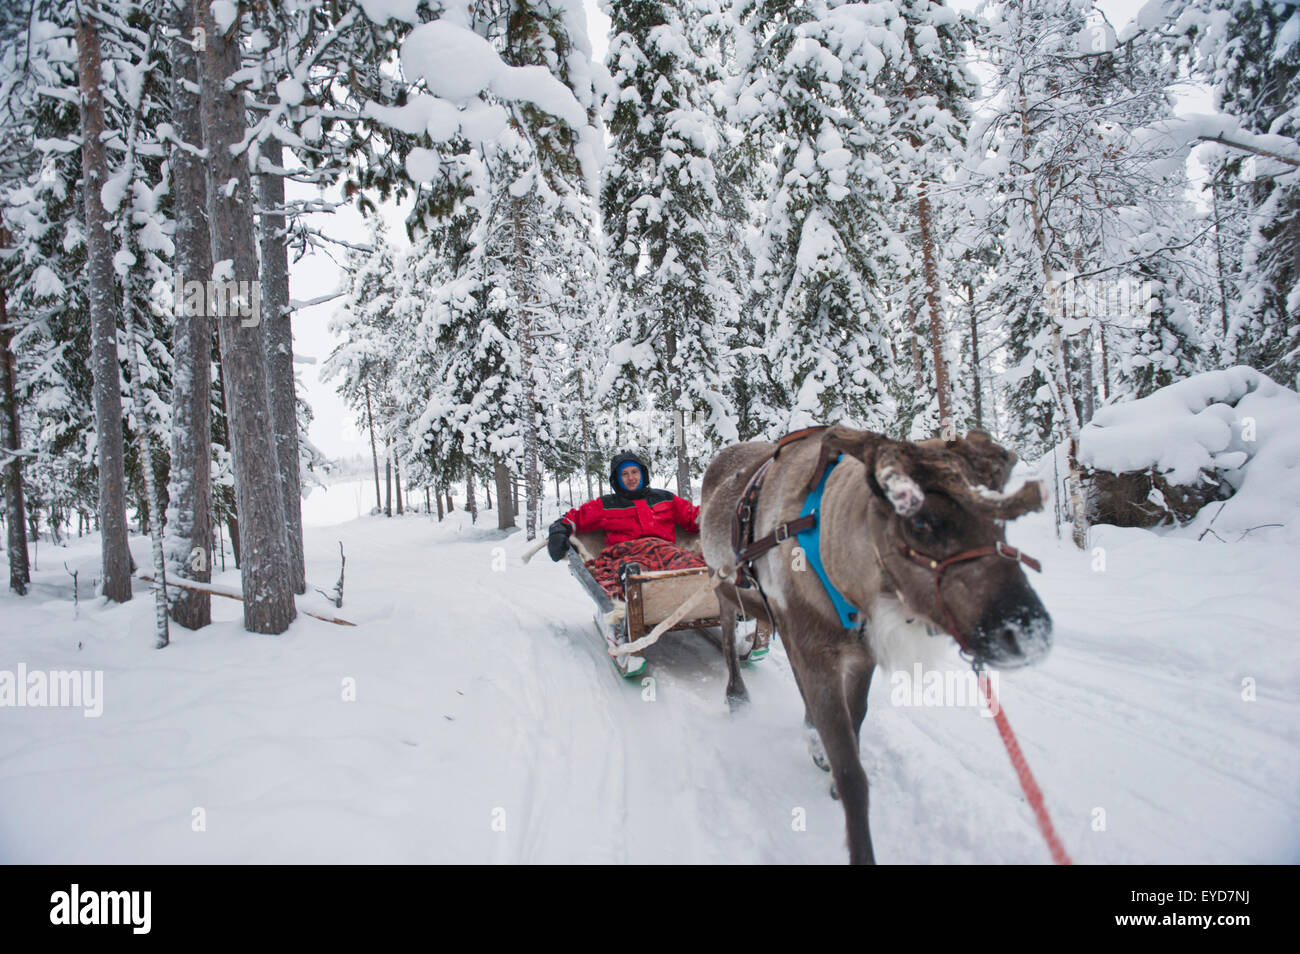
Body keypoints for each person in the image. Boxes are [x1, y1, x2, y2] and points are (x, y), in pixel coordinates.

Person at [547, 451, 706, 595]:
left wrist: (723, 517)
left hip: (666, 554)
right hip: (627, 556)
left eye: (634, 472)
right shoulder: (606, 505)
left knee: (693, 565)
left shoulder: (665, 498)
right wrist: (558, 530)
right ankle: (631, 590)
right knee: (627, 573)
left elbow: (696, 516)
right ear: (617, 479)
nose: (631, 478)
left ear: (642, 474)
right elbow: (575, 517)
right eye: (624, 474)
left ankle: (701, 595)